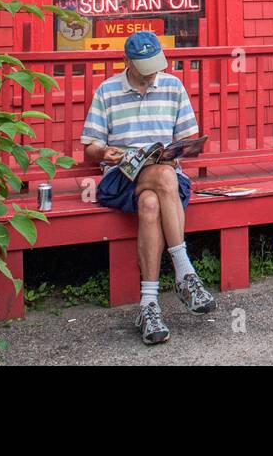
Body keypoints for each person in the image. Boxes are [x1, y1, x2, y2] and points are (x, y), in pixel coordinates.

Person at [81, 31, 216, 345]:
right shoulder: (108, 91)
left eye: (155, 64)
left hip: (160, 181)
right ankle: (184, 272)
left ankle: (149, 305)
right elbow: (90, 147)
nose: (153, 71)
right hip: (120, 177)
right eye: (144, 66)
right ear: (126, 61)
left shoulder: (172, 86)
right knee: (165, 178)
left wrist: (183, 149)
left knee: (152, 203)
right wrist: (103, 153)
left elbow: (188, 137)